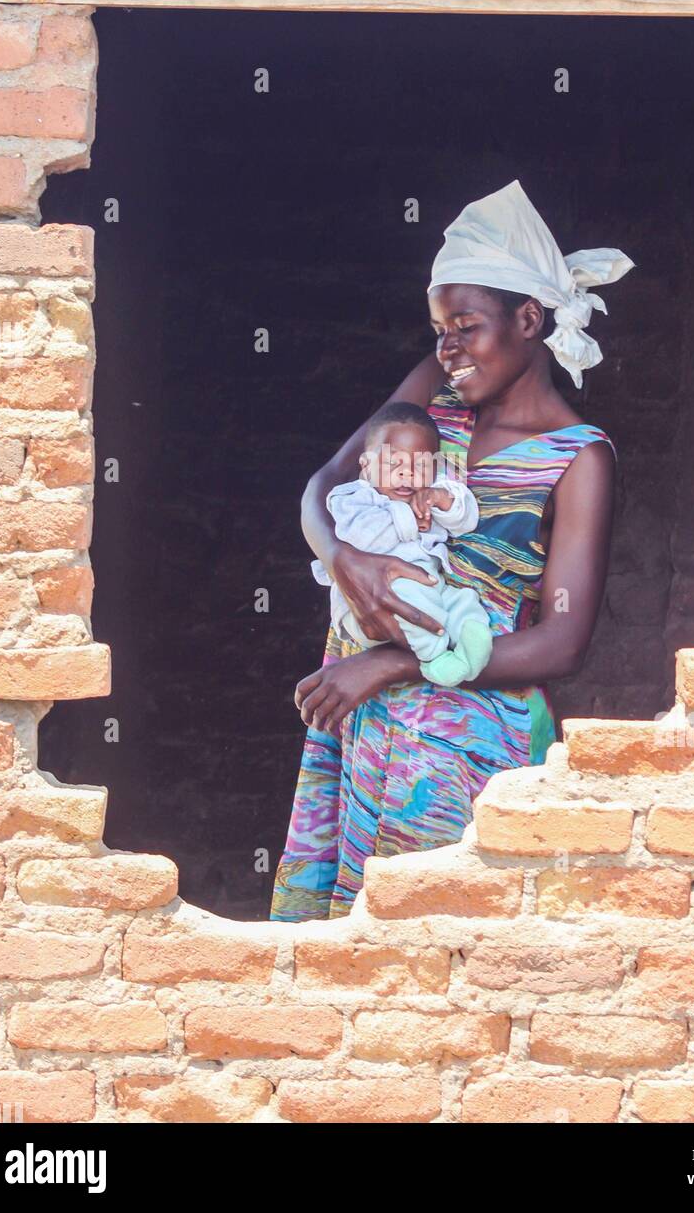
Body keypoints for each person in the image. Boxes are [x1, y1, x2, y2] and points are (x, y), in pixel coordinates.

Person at [269, 180, 633, 922]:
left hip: (463, 736)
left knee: (426, 946)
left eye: (466, 325)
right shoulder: (434, 401)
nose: (447, 346)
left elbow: (562, 642)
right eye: (439, 328)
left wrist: (396, 663)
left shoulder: (577, 459)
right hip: (357, 714)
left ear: (528, 319)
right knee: (336, 955)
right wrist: (343, 561)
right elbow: (321, 488)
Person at [311, 400, 492, 688]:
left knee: (463, 601)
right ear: (366, 466)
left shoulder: (427, 495)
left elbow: (466, 519)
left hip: (430, 590)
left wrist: (442, 499)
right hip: (371, 600)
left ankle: (470, 647)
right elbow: (359, 537)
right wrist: (406, 517)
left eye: (420, 465)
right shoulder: (351, 497)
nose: (407, 474)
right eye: (393, 463)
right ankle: (434, 659)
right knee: (408, 594)